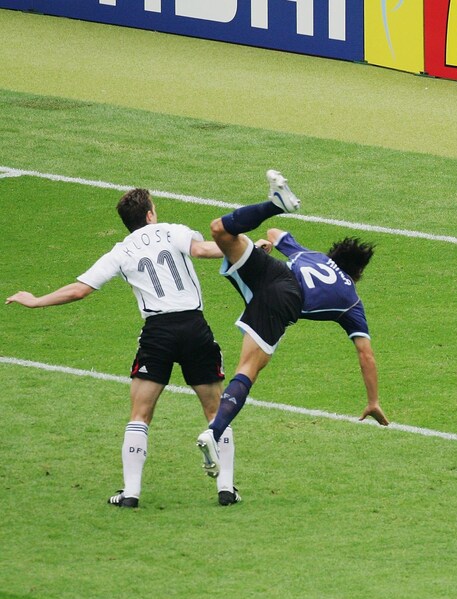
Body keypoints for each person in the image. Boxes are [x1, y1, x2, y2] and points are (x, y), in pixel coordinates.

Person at [5, 189, 235, 507]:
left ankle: (131, 494)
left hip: (157, 335)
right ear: (151, 214)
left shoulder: (121, 251)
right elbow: (203, 250)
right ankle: (226, 489)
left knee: (140, 415)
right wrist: (243, 252)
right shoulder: (172, 230)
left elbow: (79, 290)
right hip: (195, 329)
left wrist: (35, 301)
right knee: (215, 411)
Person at [196, 170, 389, 476]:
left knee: (221, 231)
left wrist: (269, 240)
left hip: (272, 271)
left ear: (333, 255)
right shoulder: (352, 300)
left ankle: (275, 203)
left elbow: (273, 233)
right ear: (356, 275)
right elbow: (366, 354)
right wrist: (373, 400)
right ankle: (214, 431)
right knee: (247, 369)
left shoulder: (312, 255)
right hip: (284, 300)